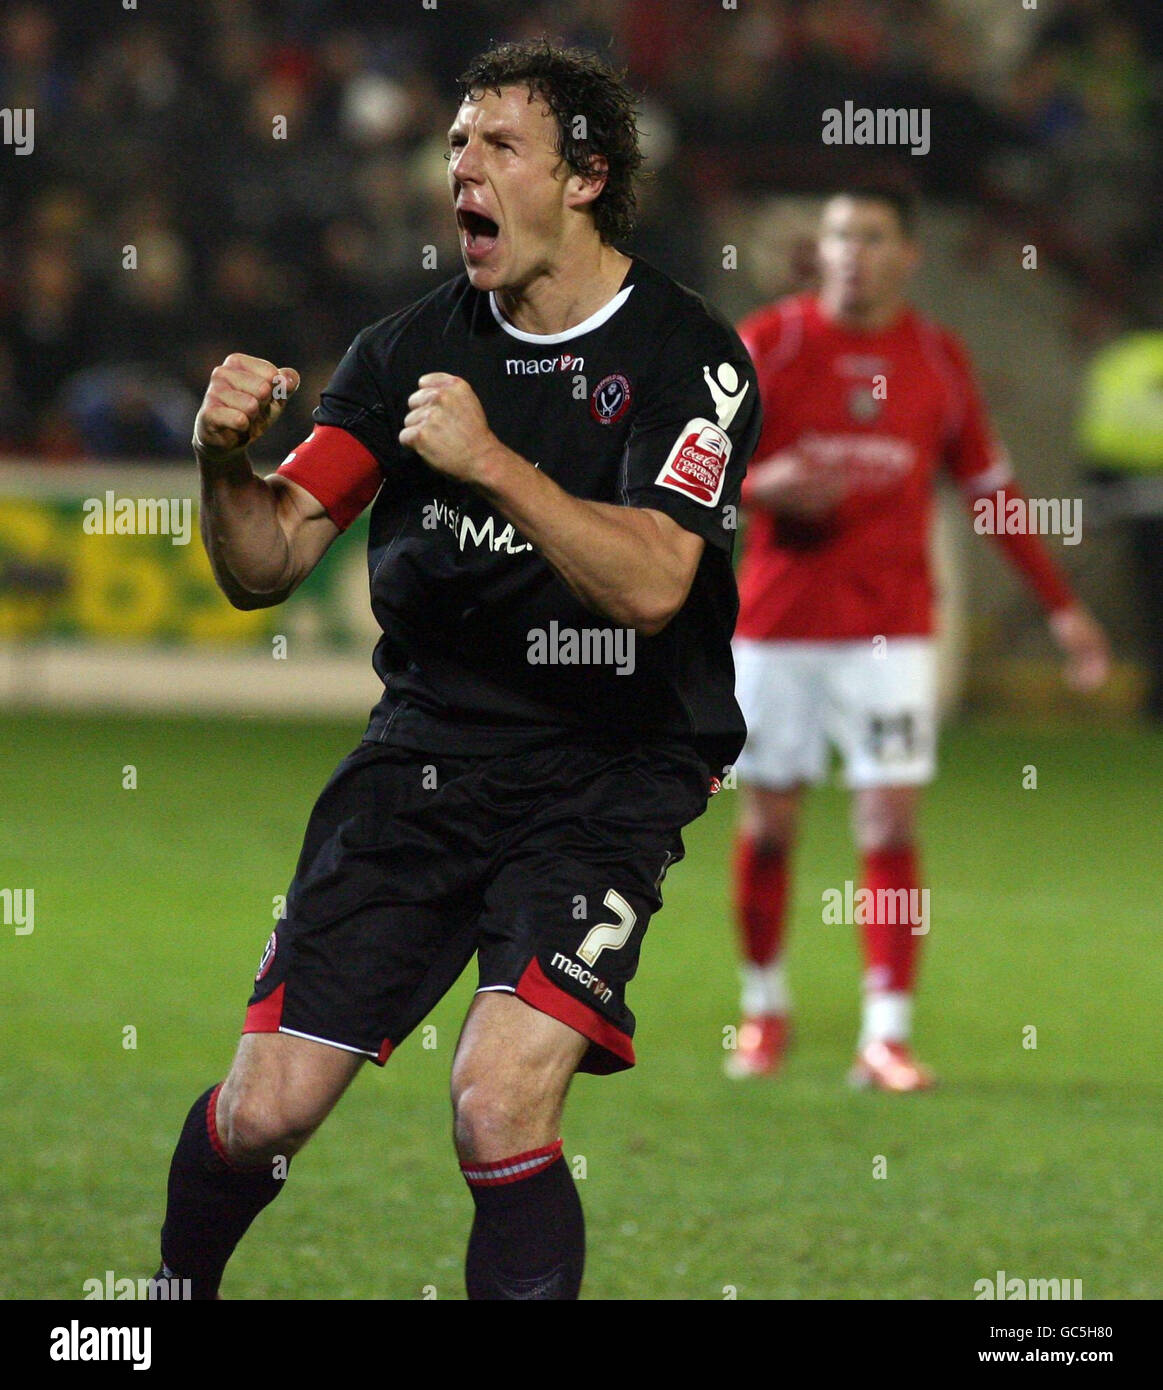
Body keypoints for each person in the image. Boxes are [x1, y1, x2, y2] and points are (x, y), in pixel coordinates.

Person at [153, 39, 760, 1300]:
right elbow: (263, 562)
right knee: (262, 1111)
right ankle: (165, 1307)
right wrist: (218, 463)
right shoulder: (402, 353)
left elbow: (654, 583)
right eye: (453, 146)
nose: (460, 172)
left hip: (610, 774)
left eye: (497, 146)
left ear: (583, 177)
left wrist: (492, 464)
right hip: (424, 761)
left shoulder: (684, 356)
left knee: (495, 1099)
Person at [727, 185, 1109, 1090]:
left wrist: (1061, 606)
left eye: (870, 236)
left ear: (909, 255)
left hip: (891, 633)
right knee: (771, 824)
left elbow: (990, 490)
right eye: (837, 235)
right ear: (817, 249)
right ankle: (763, 1010)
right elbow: (692, 469)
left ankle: (885, 1035)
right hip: (777, 627)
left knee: (889, 816)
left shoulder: (937, 359)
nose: (851, 252)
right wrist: (762, 486)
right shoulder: (769, 343)